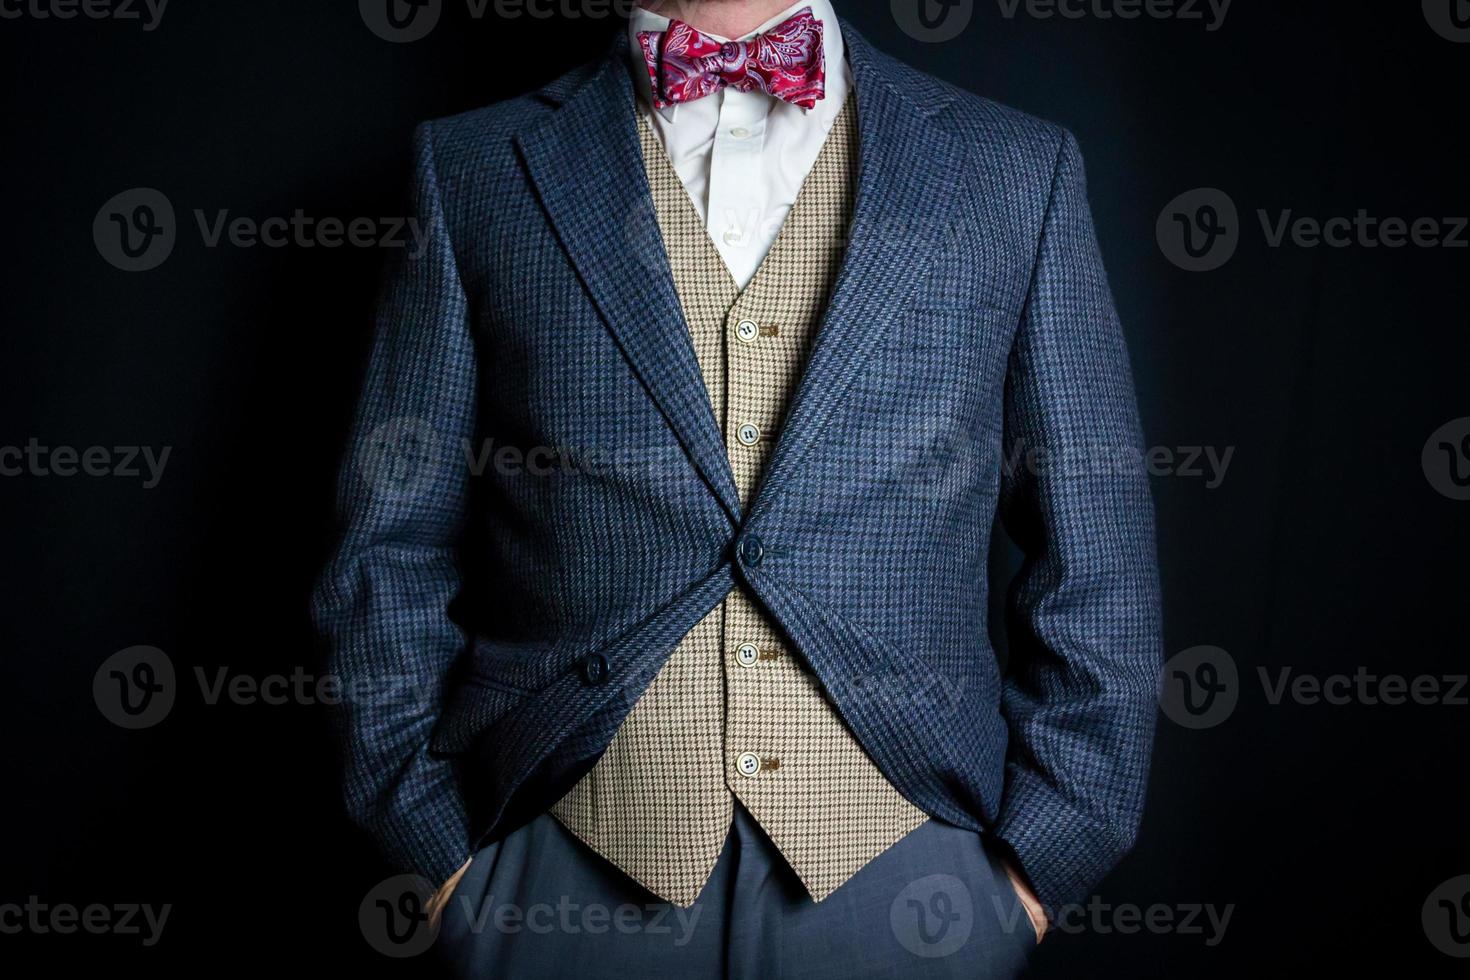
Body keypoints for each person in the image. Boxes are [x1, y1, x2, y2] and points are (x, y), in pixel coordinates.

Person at [313, 2, 1162, 975]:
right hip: (550, 874)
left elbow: (1098, 555)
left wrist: (1036, 867)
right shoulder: (472, 168)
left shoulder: (1015, 167)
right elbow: (389, 541)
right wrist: (438, 853)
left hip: (917, 885)